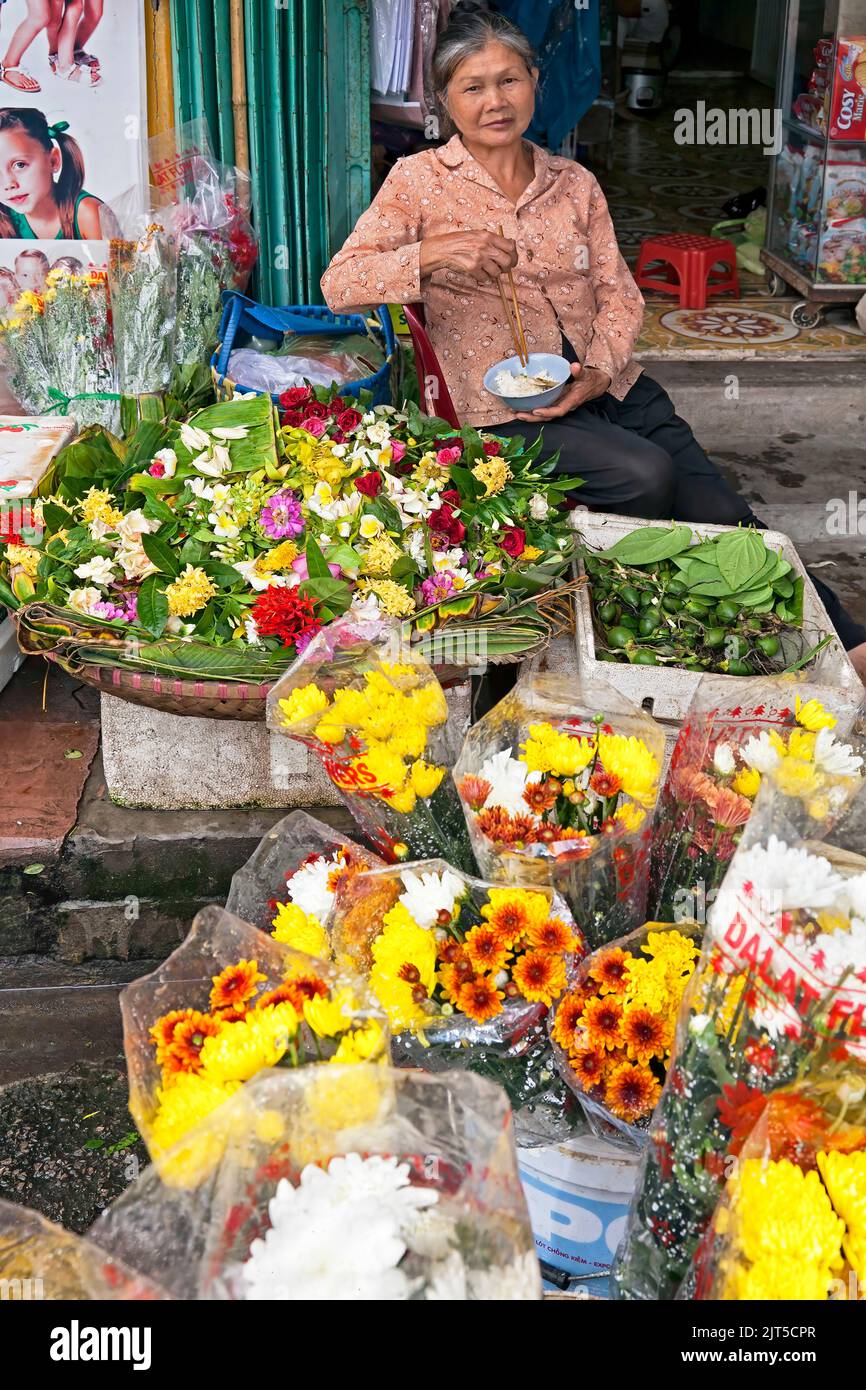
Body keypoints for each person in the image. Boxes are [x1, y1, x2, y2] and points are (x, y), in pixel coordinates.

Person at [321, 9, 866, 676]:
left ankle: (845, 644)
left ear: (534, 83)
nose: (494, 101)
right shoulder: (419, 183)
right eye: (472, 87)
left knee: (725, 513)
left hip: (608, 389)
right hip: (503, 413)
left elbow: (620, 293)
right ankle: (659, 628)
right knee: (646, 478)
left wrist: (600, 370)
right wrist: (432, 253)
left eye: (509, 81)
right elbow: (341, 283)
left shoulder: (573, 184)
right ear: (443, 99)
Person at [0, 107, 107, 237]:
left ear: (53, 161)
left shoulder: (88, 214)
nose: (8, 184)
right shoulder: (3, 219)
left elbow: (119, 257)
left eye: (20, 165)